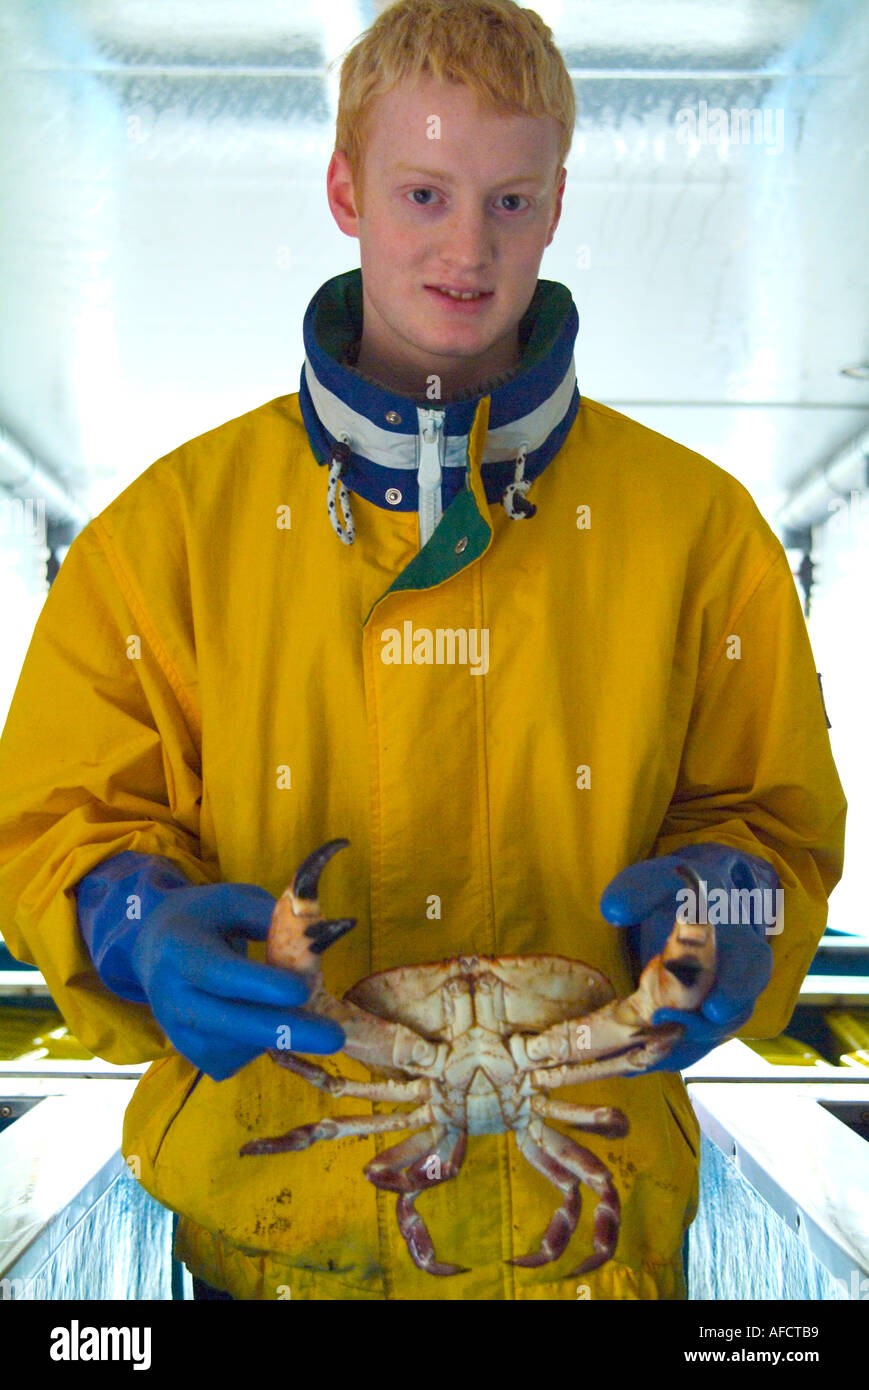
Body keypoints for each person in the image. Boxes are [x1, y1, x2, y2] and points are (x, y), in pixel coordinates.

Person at [0, 0, 846, 1302]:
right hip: (264, 1240)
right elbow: (56, 817)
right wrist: (133, 922)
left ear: (557, 202)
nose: (467, 246)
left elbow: (772, 820)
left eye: (509, 201)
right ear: (344, 189)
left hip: (607, 1248)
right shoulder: (159, 537)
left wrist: (727, 903)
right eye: (422, 192)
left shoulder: (700, 531)